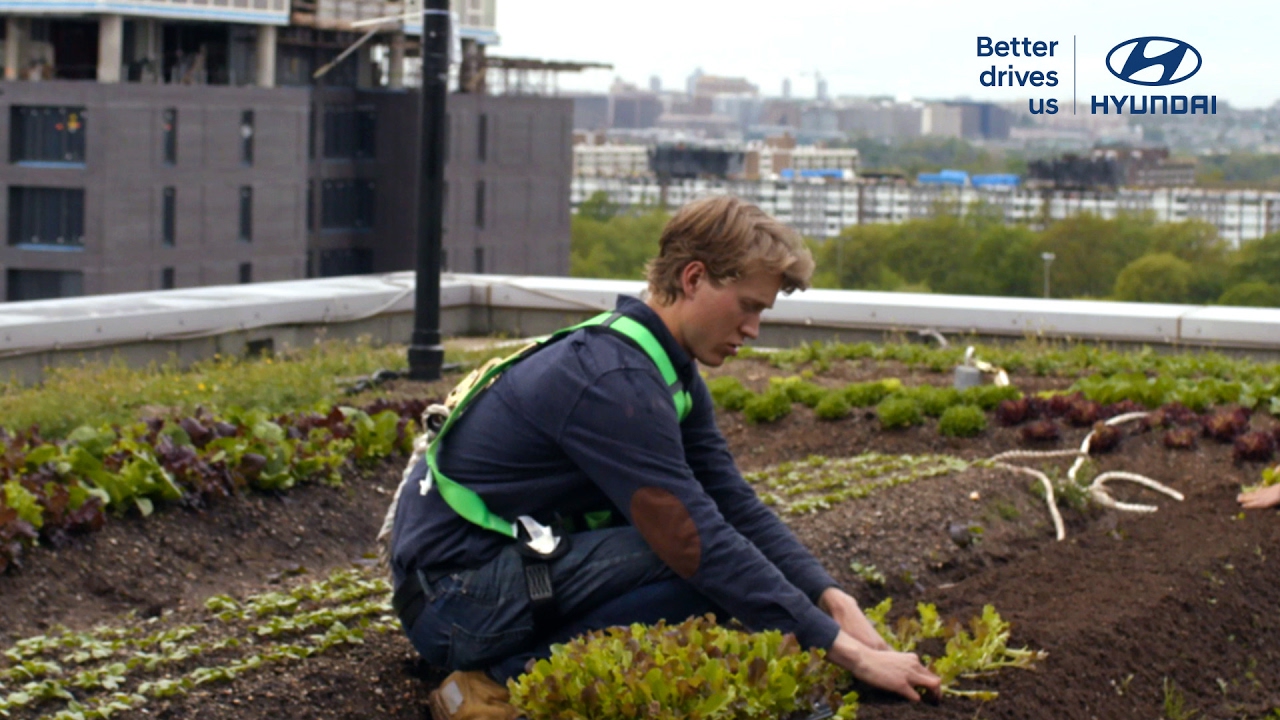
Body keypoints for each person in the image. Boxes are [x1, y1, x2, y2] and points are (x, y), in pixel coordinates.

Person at [388, 196, 941, 719]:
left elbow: (734, 505)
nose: (753, 329)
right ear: (693, 277)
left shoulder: (660, 364)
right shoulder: (612, 381)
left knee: (724, 559)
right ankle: (492, 686)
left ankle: (501, 663)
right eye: (747, 306)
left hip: (483, 578)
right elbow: (695, 540)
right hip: (453, 600)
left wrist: (831, 599)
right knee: (694, 563)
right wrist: (853, 656)